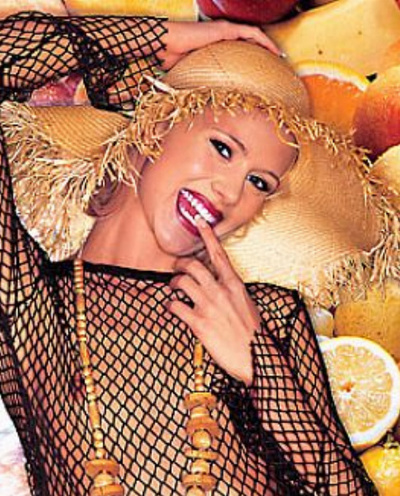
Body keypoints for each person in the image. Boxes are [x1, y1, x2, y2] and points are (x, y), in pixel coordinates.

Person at [1, 9, 396, 496]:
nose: (231, 192)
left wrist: (260, 366)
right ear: (155, 130)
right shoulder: (34, 307)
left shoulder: (269, 317)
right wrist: (163, 36)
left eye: (259, 182)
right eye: (223, 148)